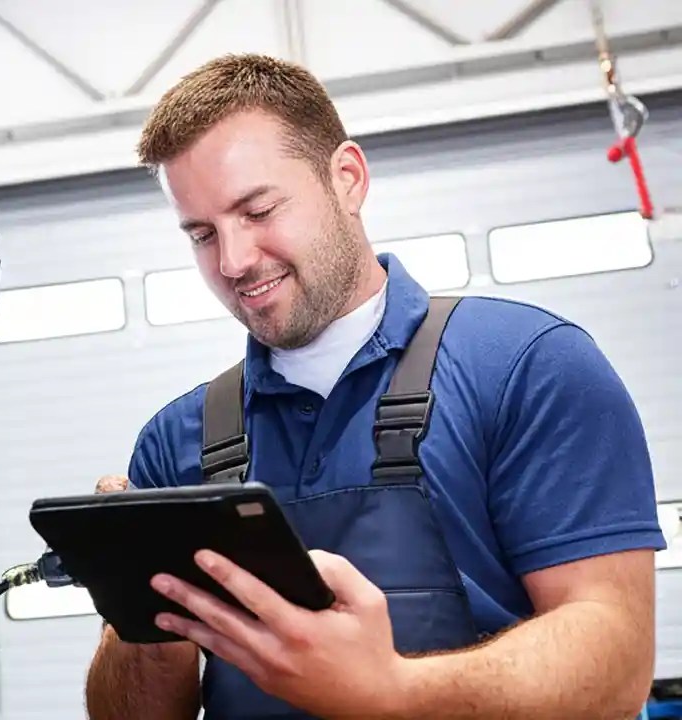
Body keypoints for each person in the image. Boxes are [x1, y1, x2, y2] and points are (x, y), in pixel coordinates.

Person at [83, 53, 665, 720]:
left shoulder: (525, 366)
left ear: (348, 179)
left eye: (258, 210)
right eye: (202, 234)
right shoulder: (175, 442)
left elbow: (615, 663)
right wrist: (141, 600)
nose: (234, 260)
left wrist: (391, 690)